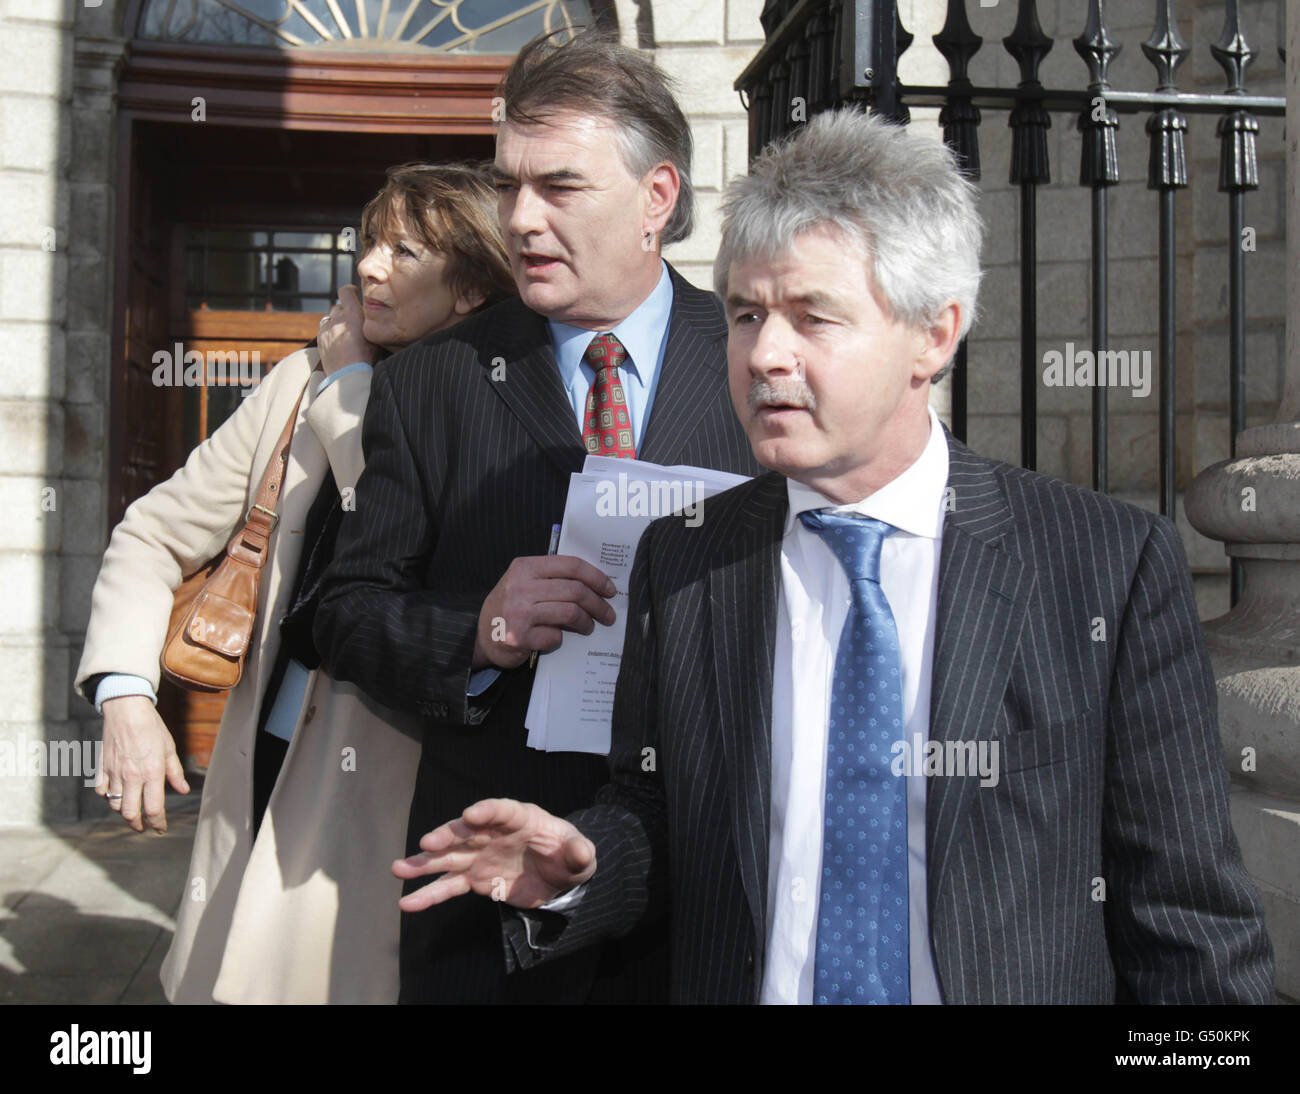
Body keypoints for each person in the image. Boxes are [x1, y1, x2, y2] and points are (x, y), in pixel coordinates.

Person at [396, 109, 1276, 1005]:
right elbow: (665, 812)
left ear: (934, 335)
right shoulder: (687, 560)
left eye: (813, 317)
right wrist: (586, 864)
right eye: (746, 314)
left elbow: (1188, 919)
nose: (765, 355)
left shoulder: (1103, 567)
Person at [313, 31, 760, 1004]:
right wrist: (477, 632)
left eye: (558, 186)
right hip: (493, 905)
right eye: (508, 184)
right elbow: (344, 611)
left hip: (712, 889)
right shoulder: (432, 382)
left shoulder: (755, 362)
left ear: (656, 197)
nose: (519, 218)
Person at [74, 162, 515, 1004]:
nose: (369, 266)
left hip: (396, 798)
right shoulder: (296, 381)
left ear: (469, 288)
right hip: (262, 764)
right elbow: (153, 532)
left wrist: (349, 387)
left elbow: (410, 539)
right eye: (370, 242)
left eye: (405, 252)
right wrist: (126, 697)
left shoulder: (499, 403)